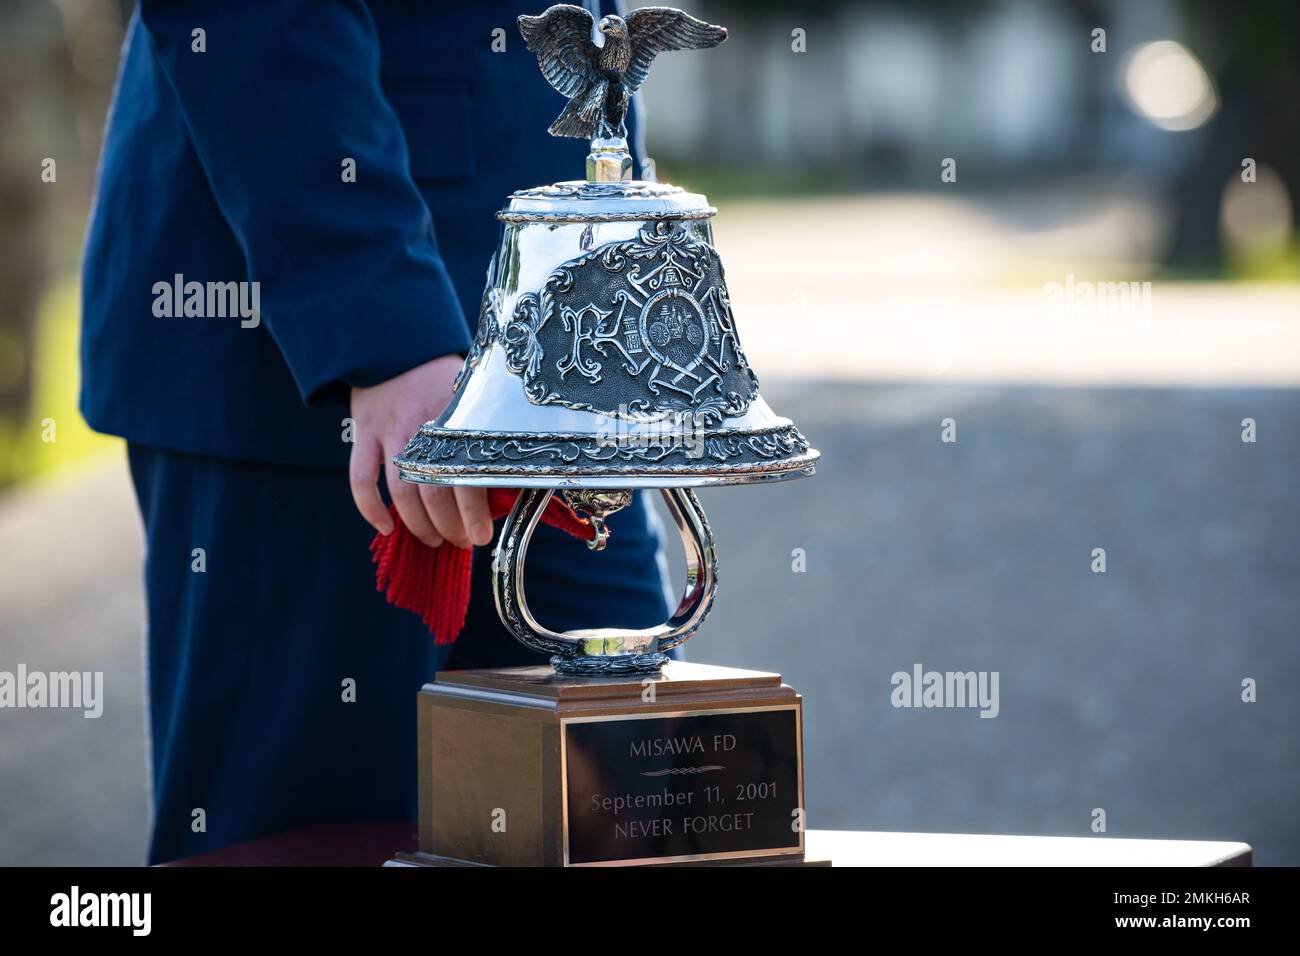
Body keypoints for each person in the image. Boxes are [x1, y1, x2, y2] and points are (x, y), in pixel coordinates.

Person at [80, 0, 670, 865]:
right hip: (317, 350)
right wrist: (381, 324)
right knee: (319, 840)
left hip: (559, 320)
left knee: (635, 813)